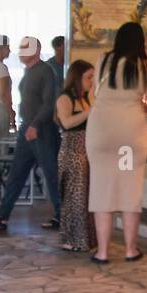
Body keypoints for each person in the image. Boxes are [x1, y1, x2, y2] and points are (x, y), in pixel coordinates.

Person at [86, 21, 147, 263]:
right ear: (140, 41)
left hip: (101, 131)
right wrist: (140, 105)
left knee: (101, 190)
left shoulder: (103, 60)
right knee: (130, 189)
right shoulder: (144, 64)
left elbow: (94, 92)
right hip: (130, 133)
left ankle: (103, 252)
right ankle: (130, 249)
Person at [0, 36, 61, 230]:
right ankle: (3, 215)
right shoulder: (29, 72)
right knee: (17, 173)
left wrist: (36, 125)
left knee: (51, 172)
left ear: (37, 50)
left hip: (41, 130)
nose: (21, 51)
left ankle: (62, 214)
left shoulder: (45, 72)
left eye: (25, 48)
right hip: (27, 129)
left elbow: (49, 103)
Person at [55, 59, 96, 253]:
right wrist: (89, 112)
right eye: (89, 77)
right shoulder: (65, 98)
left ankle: (85, 238)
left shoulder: (85, 98)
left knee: (84, 196)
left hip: (85, 151)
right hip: (72, 151)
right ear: (78, 77)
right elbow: (67, 122)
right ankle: (73, 238)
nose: (92, 81)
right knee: (74, 197)